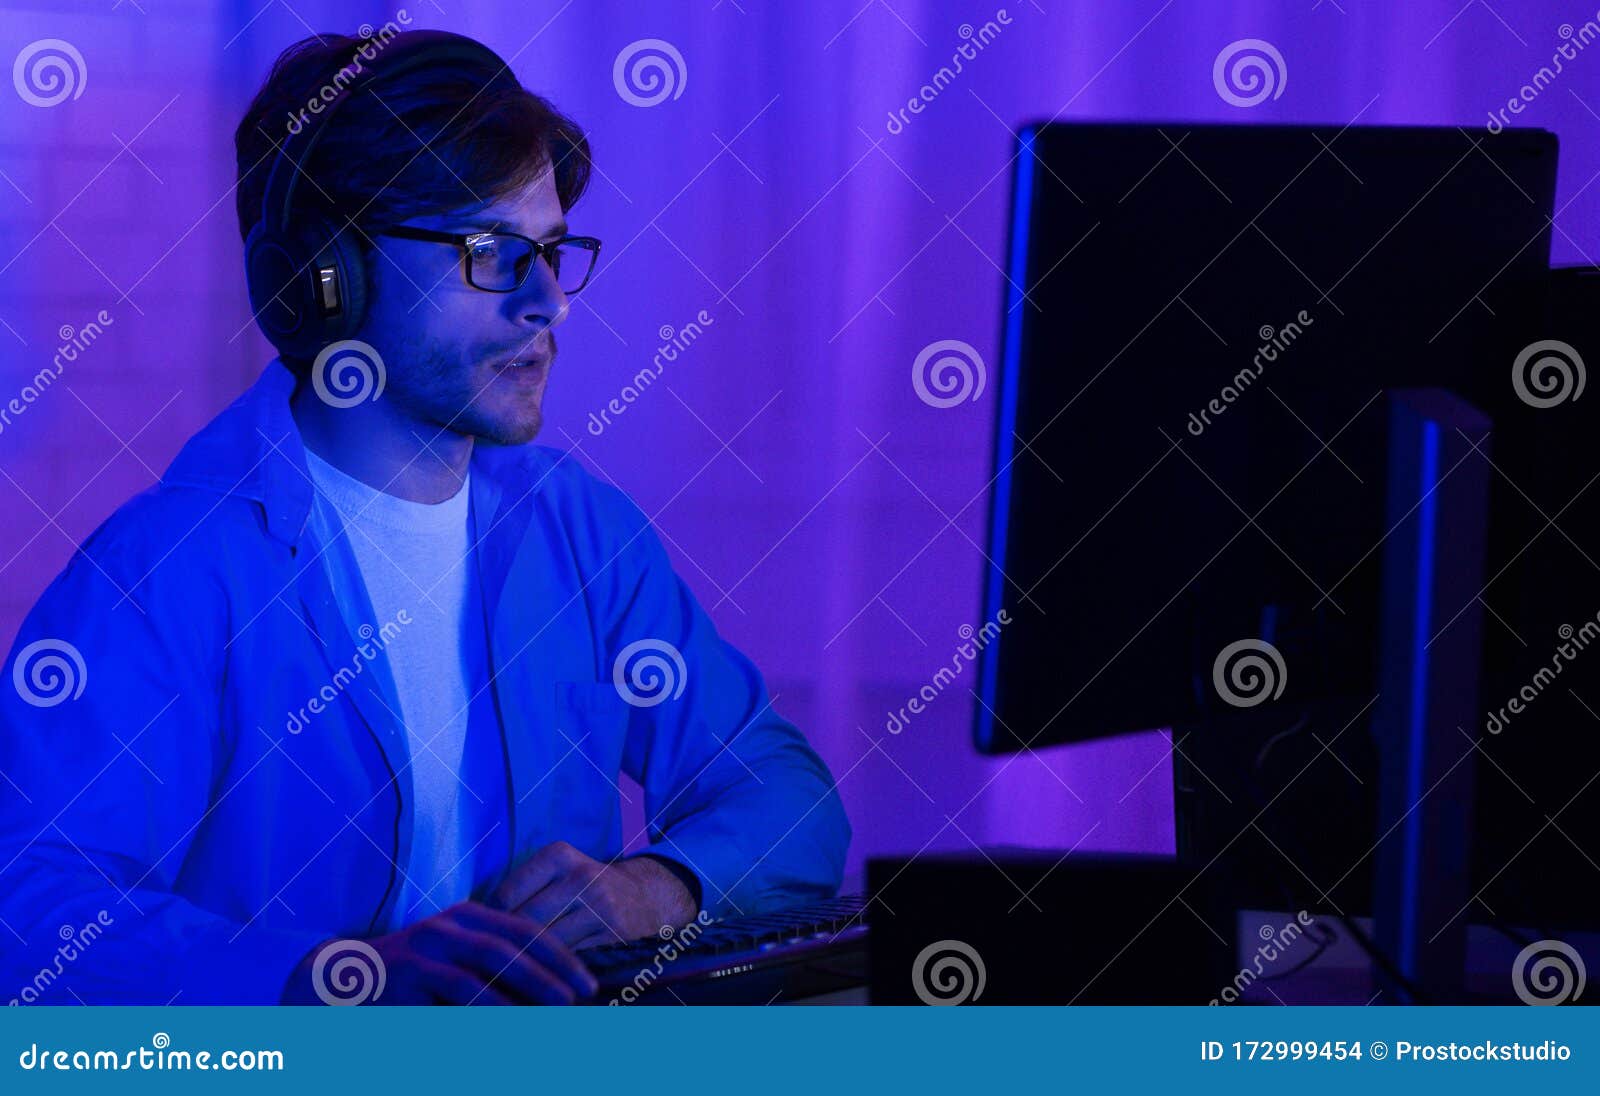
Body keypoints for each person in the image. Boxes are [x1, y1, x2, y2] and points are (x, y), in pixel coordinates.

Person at [0, 28, 848, 1006]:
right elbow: (31, 904)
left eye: (551, 253)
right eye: (491, 255)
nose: (547, 306)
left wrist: (655, 890)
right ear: (326, 281)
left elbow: (784, 793)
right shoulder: (166, 572)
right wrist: (323, 985)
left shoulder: (581, 535)